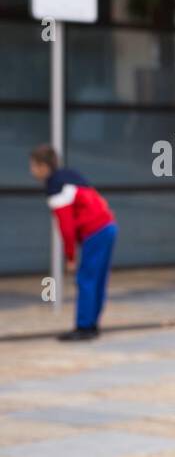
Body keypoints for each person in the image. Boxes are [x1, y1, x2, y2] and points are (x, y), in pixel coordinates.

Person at [29, 144, 117, 341]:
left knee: (86, 279)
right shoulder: (70, 175)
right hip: (108, 226)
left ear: (43, 166)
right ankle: (93, 325)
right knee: (98, 279)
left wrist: (70, 257)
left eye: (33, 166)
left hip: (95, 230)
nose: (32, 171)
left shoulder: (55, 186)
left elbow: (66, 226)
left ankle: (84, 327)